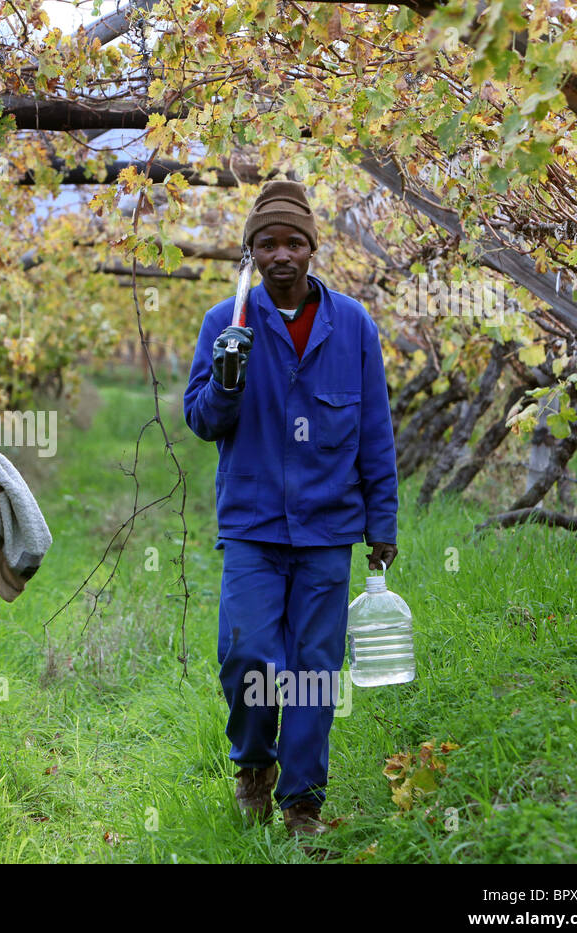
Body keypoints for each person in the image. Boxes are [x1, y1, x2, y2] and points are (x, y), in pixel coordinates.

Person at [182, 181, 400, 840]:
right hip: (252, 523)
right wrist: (226, 381)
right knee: (245, 653)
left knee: (314, 669)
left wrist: (381, 521)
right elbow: (199, 419)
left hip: (328, 528)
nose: (282, 254)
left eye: (294, 242)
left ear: (312, 249)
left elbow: (375, 430)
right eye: (268, 242)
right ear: (251, 251)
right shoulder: (227, 321)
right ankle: (254, 763)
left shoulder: (353, 325)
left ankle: (303, 804)